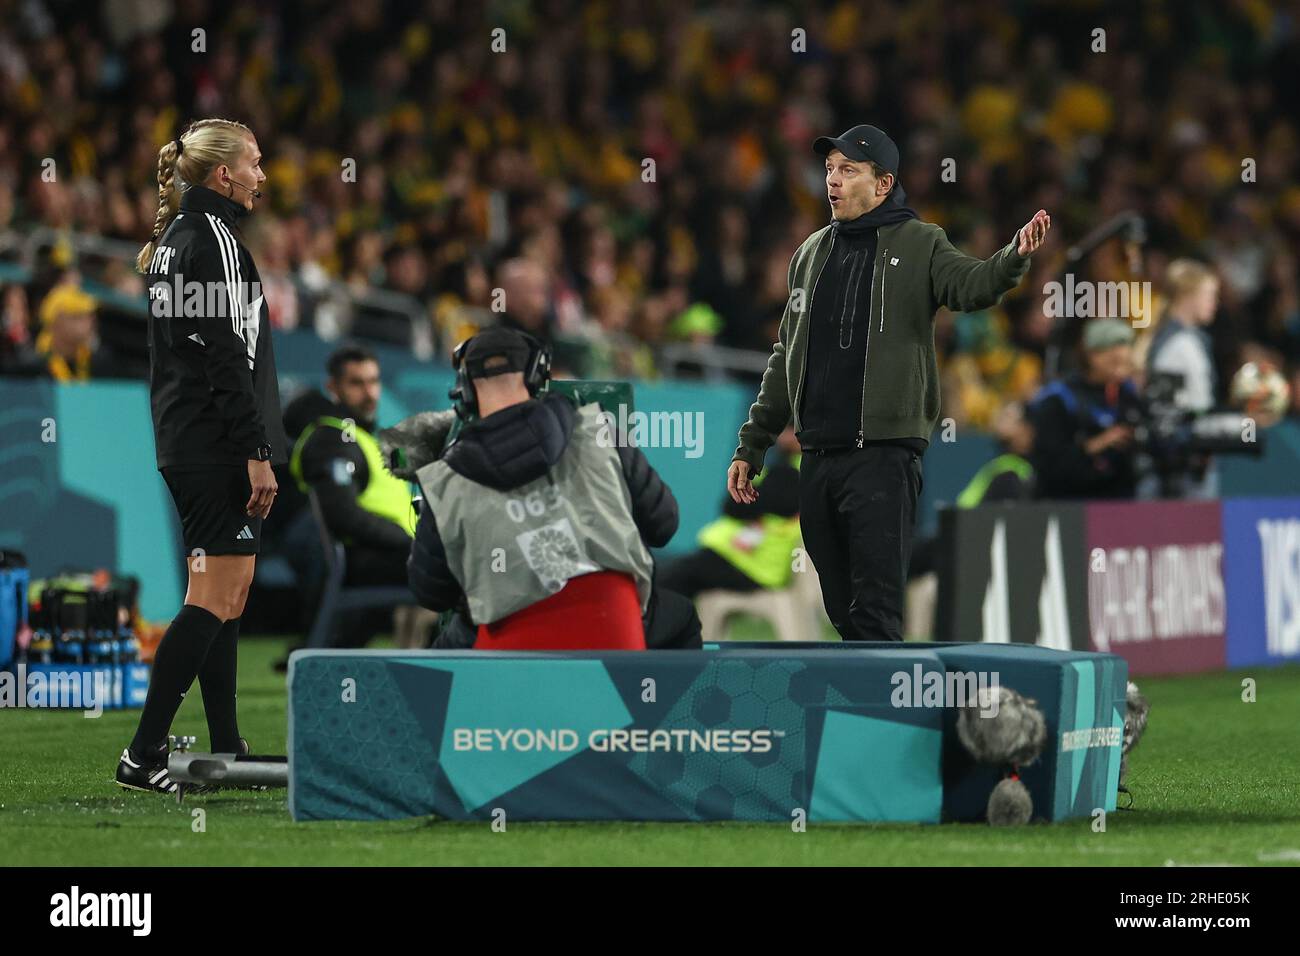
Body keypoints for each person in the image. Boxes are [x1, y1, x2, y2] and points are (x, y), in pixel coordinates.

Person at [728, 124, 1050, 642]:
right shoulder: (808, 254)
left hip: (883, 456)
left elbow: (971, 286)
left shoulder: (921, 241)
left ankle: (883, 715)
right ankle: (873, 697)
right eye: (830, 169)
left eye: (848, 170)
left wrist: (1012, 257)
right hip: (818, 457)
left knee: (876, 608)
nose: (832, 180)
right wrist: (754, 443)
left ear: (883, 184)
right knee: (842, 609)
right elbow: (786, 353)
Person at [117, 118, 283, 794]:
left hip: (191, 438)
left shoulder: (179, 240)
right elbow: (224, 356)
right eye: (254, 163)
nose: (262, 175)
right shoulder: (210, 241)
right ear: (224, 175)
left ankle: (225, 743)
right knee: (214, 596)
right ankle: (144, 752)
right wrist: (255, 449)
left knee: (228, 594)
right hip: (216, 443)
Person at [406, 326, 688, 650]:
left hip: (508, 662)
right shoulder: (602, 432)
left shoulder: (444, 481)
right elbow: (664, 524)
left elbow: (431, 592)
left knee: (445, 651)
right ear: (537, 377)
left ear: (465, 391)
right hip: (614, 642)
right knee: (681, 618)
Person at [287, 344, 430, 648]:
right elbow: (343, 516)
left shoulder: (362, 437)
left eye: (374, 381)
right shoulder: (333, 439)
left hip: (391, 552)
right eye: (357, 383)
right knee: (460, 567)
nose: (369, 393)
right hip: (369, 558)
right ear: (333, 387)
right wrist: (410, 543)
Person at [659, 427, 802, 600]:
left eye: (790, 429)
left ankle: (651, 626)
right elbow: (733, 504)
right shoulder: (779, 464)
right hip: (735, 555)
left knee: (671, 580)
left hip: (753, 563)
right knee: (670, 577)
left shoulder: (795, 470)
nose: (782, 435)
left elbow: (745, 505)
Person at [1028, 318, 1143, 500]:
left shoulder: (1128, 395)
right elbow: (1047, 464)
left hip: (1120, 502)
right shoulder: (1060, 397)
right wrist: (1096, 445)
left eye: (1126, 361)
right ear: (1091, 355)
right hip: (1068, 503)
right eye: (1114, 360)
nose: (1121, 367)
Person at [1142, 258, 1220, 498]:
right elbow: (1166, 416)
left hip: (1194, 458)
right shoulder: (1177, 345)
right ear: (1188, 296)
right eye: (1209, 295)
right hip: (1183, 469)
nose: (1214, 304)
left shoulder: (1191, 339)